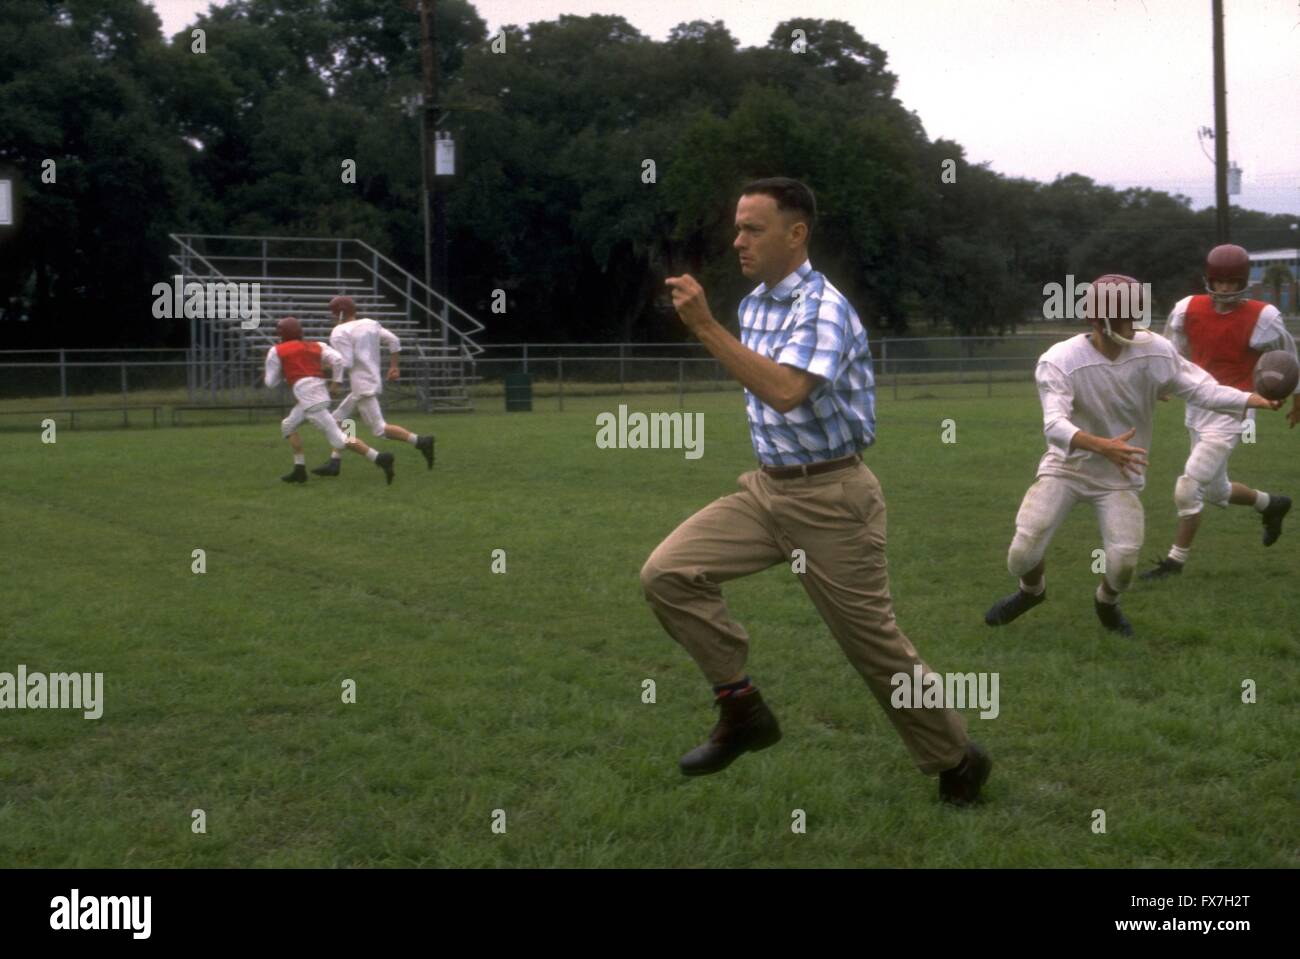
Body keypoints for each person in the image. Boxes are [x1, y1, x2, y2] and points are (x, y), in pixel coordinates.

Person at [640, 177, 990, 805]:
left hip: (833, 499)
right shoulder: (754, 306)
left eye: (753, 228)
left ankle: (957, 759)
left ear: (795, 234)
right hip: (766, 491)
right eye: (737, 226)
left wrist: (704, 328)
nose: (737, 240)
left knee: (874, 648)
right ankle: (742, 710)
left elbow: (785, 390)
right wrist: (721, 327)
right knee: (668, 573)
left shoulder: (824, 307)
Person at [983, 275, 1281, 636]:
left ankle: (1106, 603)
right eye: (1124, 317)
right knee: (1022, 552)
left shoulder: (1153, 350)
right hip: (1067, 469)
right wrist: (1101, 445)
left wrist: (1253, 399)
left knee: (1123, 563)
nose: (1133, 326)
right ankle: (1032, 592)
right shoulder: (1059, 359)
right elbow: (1054, 426)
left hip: (1119, 475)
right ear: (1098, 321)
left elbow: (1203, 390)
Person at [1141, 244, 1299, 580]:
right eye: (1219, 281)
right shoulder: (1188, 309)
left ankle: (1174, 561)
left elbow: (1287, 357)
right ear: (1209, 279)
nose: (1225, 288)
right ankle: (1272, 505)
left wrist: (1296, 396)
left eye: (1232, 282)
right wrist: (1163, 383)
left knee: (1189, 485)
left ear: (1242, 281)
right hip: (1199, 404)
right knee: (1216, 490)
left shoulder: (1263, 316)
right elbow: (1173, 353)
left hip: (1236, 407)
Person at [311, 294, 434, 476]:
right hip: (368, 381)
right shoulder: (370, 323)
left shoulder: (339, 331)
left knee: (380, 429)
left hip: (362, 386)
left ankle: (421, 441)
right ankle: (335, 461)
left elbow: (347, 362)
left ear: (341, 313)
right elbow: (394, 341)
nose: (332, 316)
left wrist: (324, 366)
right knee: (339, 419)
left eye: (334, 313)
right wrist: (394, 366)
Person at [265, 316, 395, 485]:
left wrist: (285, 370)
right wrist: (336, 383)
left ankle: (380, 458)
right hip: (319, 391)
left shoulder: (277, 350)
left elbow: (270, 383)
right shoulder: (317, 345)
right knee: (288, 425)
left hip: (308, 397)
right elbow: (338, 360)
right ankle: (299, 469)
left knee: (340, 439)